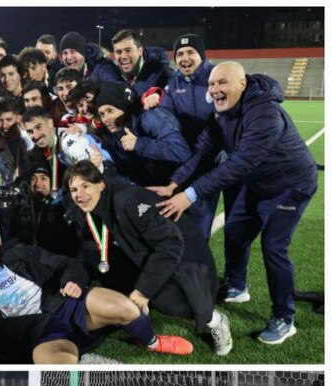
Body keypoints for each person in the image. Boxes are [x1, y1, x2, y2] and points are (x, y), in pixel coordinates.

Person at [154, 62, 318, 345]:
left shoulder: (264, 113)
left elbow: (239, 164)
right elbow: (203, 153)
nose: (215, 89)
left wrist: (189, 195)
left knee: (274, 247)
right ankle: (237, 285)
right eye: (213, 84)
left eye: (223, 83)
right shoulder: (222, 114)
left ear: (242, 84)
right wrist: (174, 183)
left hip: (290, 186)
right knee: (236, 231)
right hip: (259, 182)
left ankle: (284, 318)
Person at [0, 224, 194, 363]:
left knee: (127, 308)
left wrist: (72, 282)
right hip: (42, 334)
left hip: (66, 304)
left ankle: (150, 341)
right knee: (60, 376)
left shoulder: (21, 254)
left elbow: (67, 264)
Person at [65, 161, 231, 355]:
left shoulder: (126, 200)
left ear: (100, 184)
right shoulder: (103, 203)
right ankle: (142, 310)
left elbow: (171, 244)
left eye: (86, 186)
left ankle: (216, 320)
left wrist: (143, 291)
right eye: (74, 189)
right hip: (157, 252)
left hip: (188, 257)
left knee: (174, 304)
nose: (80, 194)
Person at [159, 34, 219, 236]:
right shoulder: (174, 84)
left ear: (201, 54)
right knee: (187, 218)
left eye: (191, 52)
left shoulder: (216, 78)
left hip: (217, 160)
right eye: (180, 53)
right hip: (186, 158)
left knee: (229, 224)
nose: (185, 58)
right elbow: (164, 121)